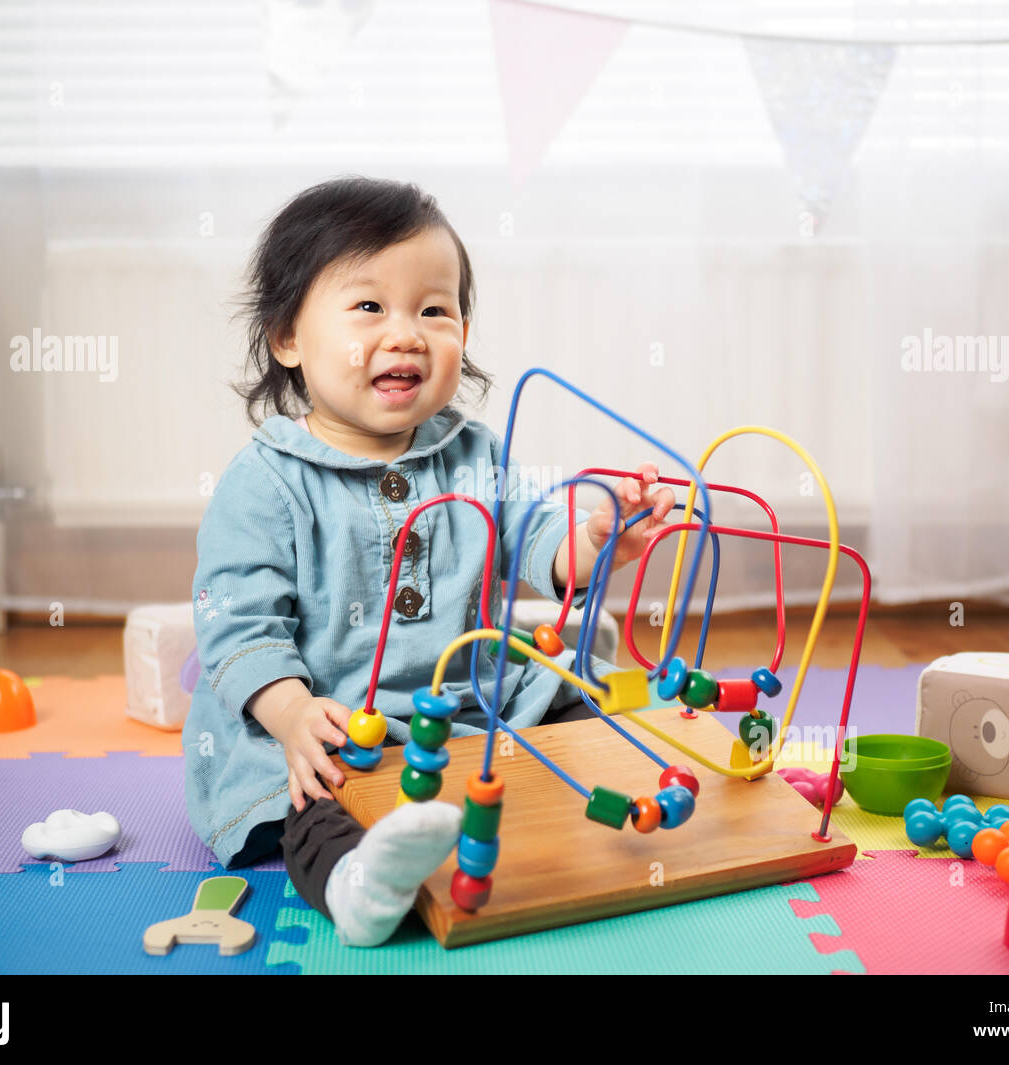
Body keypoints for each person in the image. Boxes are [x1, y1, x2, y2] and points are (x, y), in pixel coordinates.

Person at [183, 174, 675, 947]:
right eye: (370, 306)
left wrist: (598, 537)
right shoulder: (265, 482)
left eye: (434, 309)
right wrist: (290, 713)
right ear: (286, 337)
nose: (407, 332)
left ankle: (610, 825)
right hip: (340, 724)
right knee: (316, 805)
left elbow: (540, 541)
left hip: (476, 703)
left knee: (580, 716)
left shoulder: (473, 452)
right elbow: (239, 625)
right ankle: (360, 881)